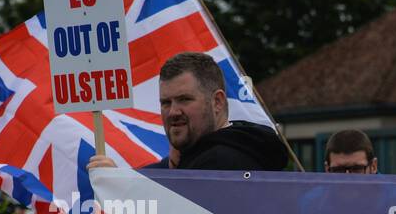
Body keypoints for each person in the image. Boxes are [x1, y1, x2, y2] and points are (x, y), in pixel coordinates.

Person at [88, 52, 287, 173]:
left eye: (184, 99)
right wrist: (114, 184)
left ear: (217, 102)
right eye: (165, 102)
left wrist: (119, 193)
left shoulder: (222, 164)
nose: (173, 112)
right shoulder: (190, 162)